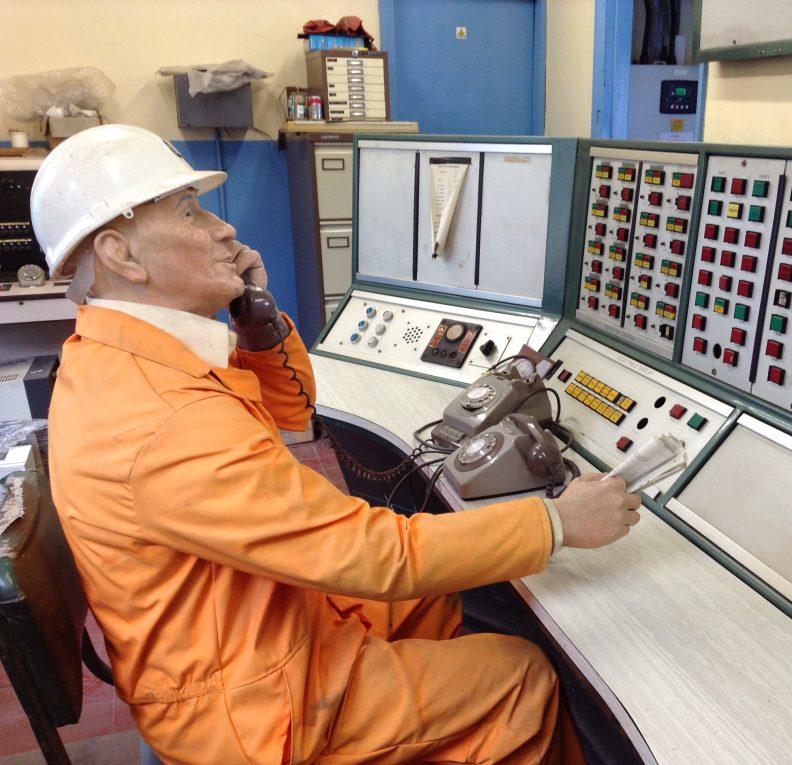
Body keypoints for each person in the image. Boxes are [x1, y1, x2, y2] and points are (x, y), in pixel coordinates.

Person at [31, 124, 642, 765]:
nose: (224, 230)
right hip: (252, 709)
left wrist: (257, 320)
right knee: (520, 677)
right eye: (189, 213)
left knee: (439, 602)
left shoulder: (120, 358)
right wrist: (556, 522)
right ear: (122, 255)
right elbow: (371, 555)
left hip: (254, 625)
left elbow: (287, 414)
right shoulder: (166, 419)